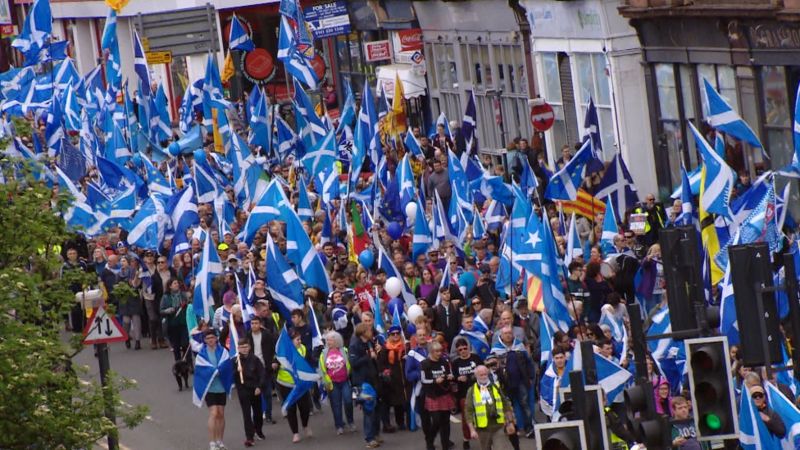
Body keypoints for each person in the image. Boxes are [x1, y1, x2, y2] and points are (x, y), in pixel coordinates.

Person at [193, 329, 234, 450]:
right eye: (207, 338)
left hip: (221, 386)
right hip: (209, 387)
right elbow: (200, 370)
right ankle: (212, 442)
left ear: (216, 338)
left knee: (221, 414)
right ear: (205, 340)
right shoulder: (201, 354)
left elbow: (227, 365)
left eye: (212, 338)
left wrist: (220, 371)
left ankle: (220, 440)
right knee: (214, 413)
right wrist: (212, 372)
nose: (210, 340)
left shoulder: (223, 352)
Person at [464, 365, 516, 450]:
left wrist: (510, 422)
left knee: (501, 448)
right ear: (476, 376)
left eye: (485, 374)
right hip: (482, 429)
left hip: (498, 426)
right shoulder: (472, 391)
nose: (484, 377)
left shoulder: (496, 387)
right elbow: (468, 411)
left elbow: (505, 404)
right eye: (481, 375)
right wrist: (472, 430)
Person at [276, 329, 313, 443]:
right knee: (291, 409)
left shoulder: (303, 349)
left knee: (305, 408)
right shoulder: (281, 352)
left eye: (300, 339)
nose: (299, 341)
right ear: (290, 341)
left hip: (301, 384)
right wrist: (273, 365)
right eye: (297, 339)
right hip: (285, 384)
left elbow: (308, 364)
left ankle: (305, 426)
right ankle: (295, 433)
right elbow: (274, 363)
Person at [350, 322, 381, 448]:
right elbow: (353, 363)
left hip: (373, 379)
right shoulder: (354, 345)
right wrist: (368, 356)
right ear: (363, 332)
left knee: (376, 408)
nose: (371, 332)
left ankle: (376, 434)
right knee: (368, 410)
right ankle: (369, 438)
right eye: (369, 330)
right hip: (362, 382)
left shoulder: (369, 342)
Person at [420, 341, 455, 450]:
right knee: (436, 421)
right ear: (431, 351)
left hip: (445, 394)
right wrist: (435, 381)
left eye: (440, 351)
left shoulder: (444, 361)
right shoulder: (424, 363)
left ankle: (445, 444)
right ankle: (430, 440)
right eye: (436, 351)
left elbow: (450, 373)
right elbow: (423, 380)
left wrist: (450, 377)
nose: (439, 353)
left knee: (446, 421)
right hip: (432, 396)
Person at [320, 331, 356, 435]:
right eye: (327, 340)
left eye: (330, 339)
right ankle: (339, 425)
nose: (328, 342)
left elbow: (349, 363)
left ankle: (350, 422)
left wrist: (349, 373)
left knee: (348, 401)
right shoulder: (324, 354)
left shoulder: (344, 350)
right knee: (336, 405)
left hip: (344, 381)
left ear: (336, 340)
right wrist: (326, 381)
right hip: (333, 383)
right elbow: (322, 369)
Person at [451, 337, 483, 449]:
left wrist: (469, 377)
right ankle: (466, 439)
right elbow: (453, 378)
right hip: (463, 394)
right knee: (466, 418)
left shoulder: (476, 358)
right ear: (457, 351)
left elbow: (482, 372)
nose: (463, 351)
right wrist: (458, 378)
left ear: (468, 348)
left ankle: (483, 437)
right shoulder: (455, 363)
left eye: (465, 348)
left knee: (482, 415)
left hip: (478, 391)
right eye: (460, 350)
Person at [234, 338, 266, 447]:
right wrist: (236, 370)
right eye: (241, 347)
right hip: (243, 390)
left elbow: (262, 374)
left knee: (258, 412)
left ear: (249, 347)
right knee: (246, 414)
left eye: (245, 347)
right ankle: (249, 437)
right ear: (238, 348)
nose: (244, 349)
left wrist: (259, 387)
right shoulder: (235, 361)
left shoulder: (255, 359)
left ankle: (258, 430)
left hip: (255, 389)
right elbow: (232, 377)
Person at [247, 315, 276, 424]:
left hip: (265, 366)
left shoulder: (267, 335)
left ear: (260, 324)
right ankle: (257, 413)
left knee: (267, 392)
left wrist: (274, 361)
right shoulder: (248, 335)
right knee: (255, 392)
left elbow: (273, 349)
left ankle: (268, 414)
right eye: (252, 323)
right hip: (253, 368)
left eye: (256, 323)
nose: (254, 325)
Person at [378, 325, 407, 432]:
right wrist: (385, 371)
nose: (395, 336)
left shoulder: (404, 348)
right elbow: (381, 364)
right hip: (389, 380)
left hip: (400, 378)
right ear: (389, 335)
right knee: (387, 403)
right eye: (392, 334)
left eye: (397, 333)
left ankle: (401, 422)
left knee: (399, 402)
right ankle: (386, 424)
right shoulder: (385, 348)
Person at [160, 278, 189, 361]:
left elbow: (189, 305)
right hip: (172, 324)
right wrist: (167, 310)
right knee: (176, 346)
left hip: (183, 323)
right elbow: (161, 310)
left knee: (185, 344)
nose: (177, 285)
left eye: (177, 283)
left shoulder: (183, 295)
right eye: (174, 283)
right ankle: (178, 363)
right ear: (170, 286)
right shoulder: (165, 297)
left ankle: (189, 363)